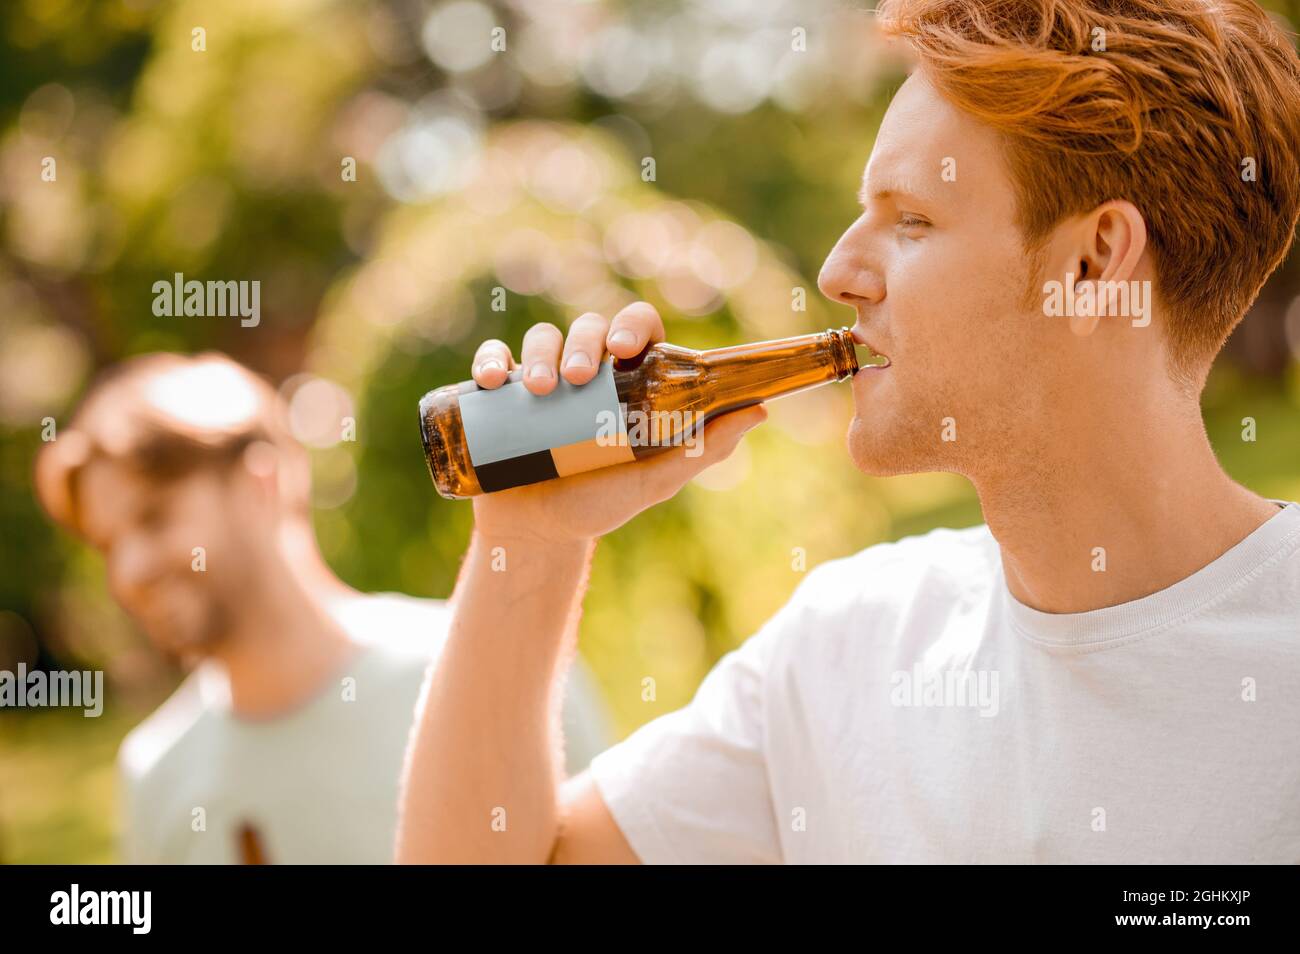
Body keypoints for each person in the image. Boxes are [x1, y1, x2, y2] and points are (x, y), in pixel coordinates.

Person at [396, 0, 1300, 863]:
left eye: (912, 220)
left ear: (1093, 264)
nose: (837, 271)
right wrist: (534, 538)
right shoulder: (848, 649)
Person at [33, 353, 612, 863]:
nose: (129, 572)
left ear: (263, 482)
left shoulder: (502, 660)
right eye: (108, 545)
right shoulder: (155, 772)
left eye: (153, 517)